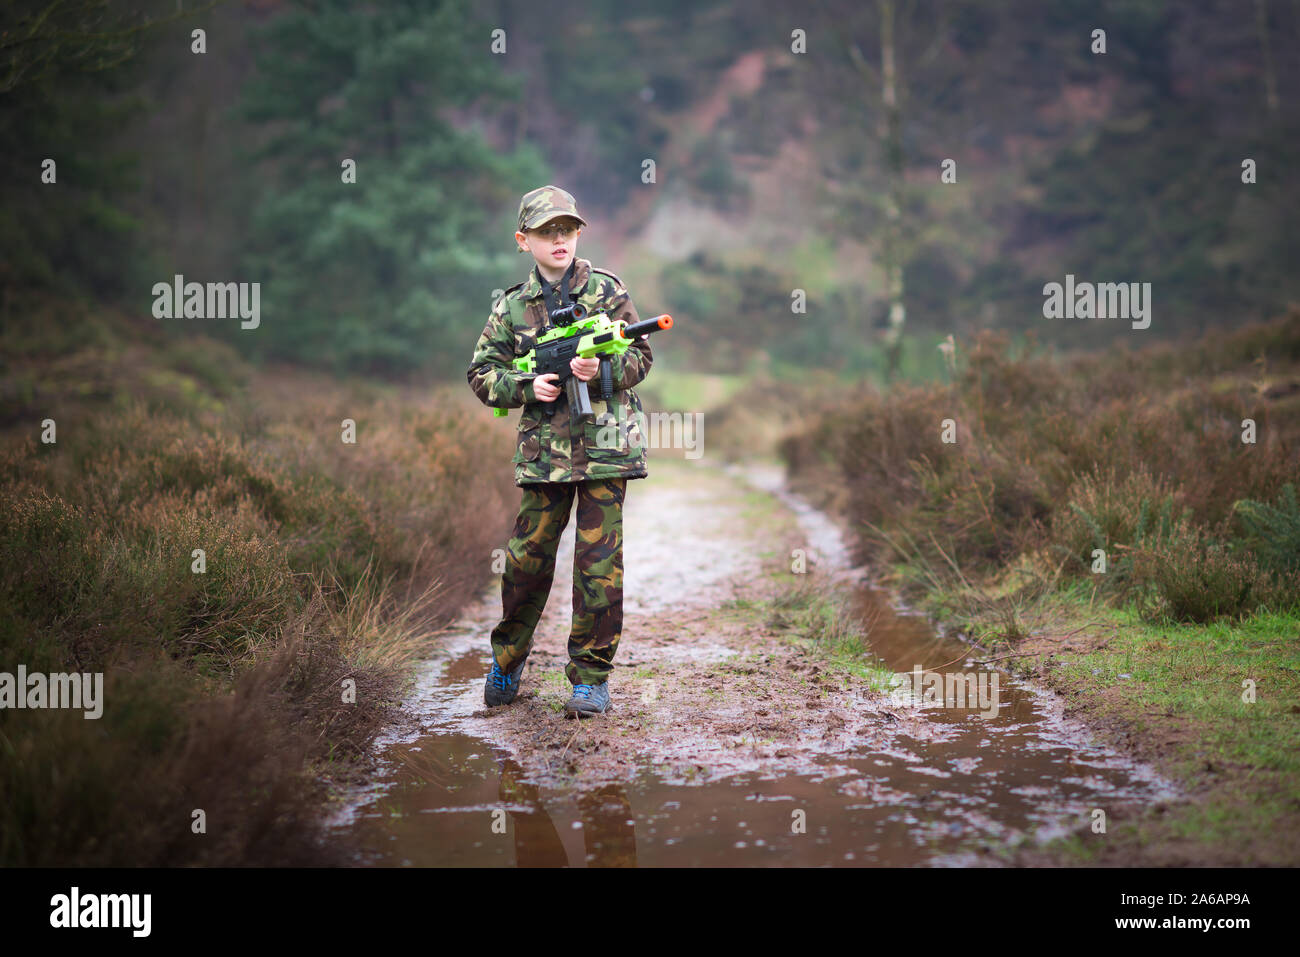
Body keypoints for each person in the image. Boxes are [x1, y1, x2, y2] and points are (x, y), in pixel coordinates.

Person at [466, 185, 652, 718]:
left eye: (567, 230)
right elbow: (481, 374)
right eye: (547, 232)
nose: (559, 240)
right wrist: (528, 387)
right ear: (523, 241)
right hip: (545, 457)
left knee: (599, 566)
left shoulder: (607, 291)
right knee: (527, 561)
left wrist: (603, 372)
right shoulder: (511, 306)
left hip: (605, 451)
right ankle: (508, 661)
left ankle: (590, 678)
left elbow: (642, 356)